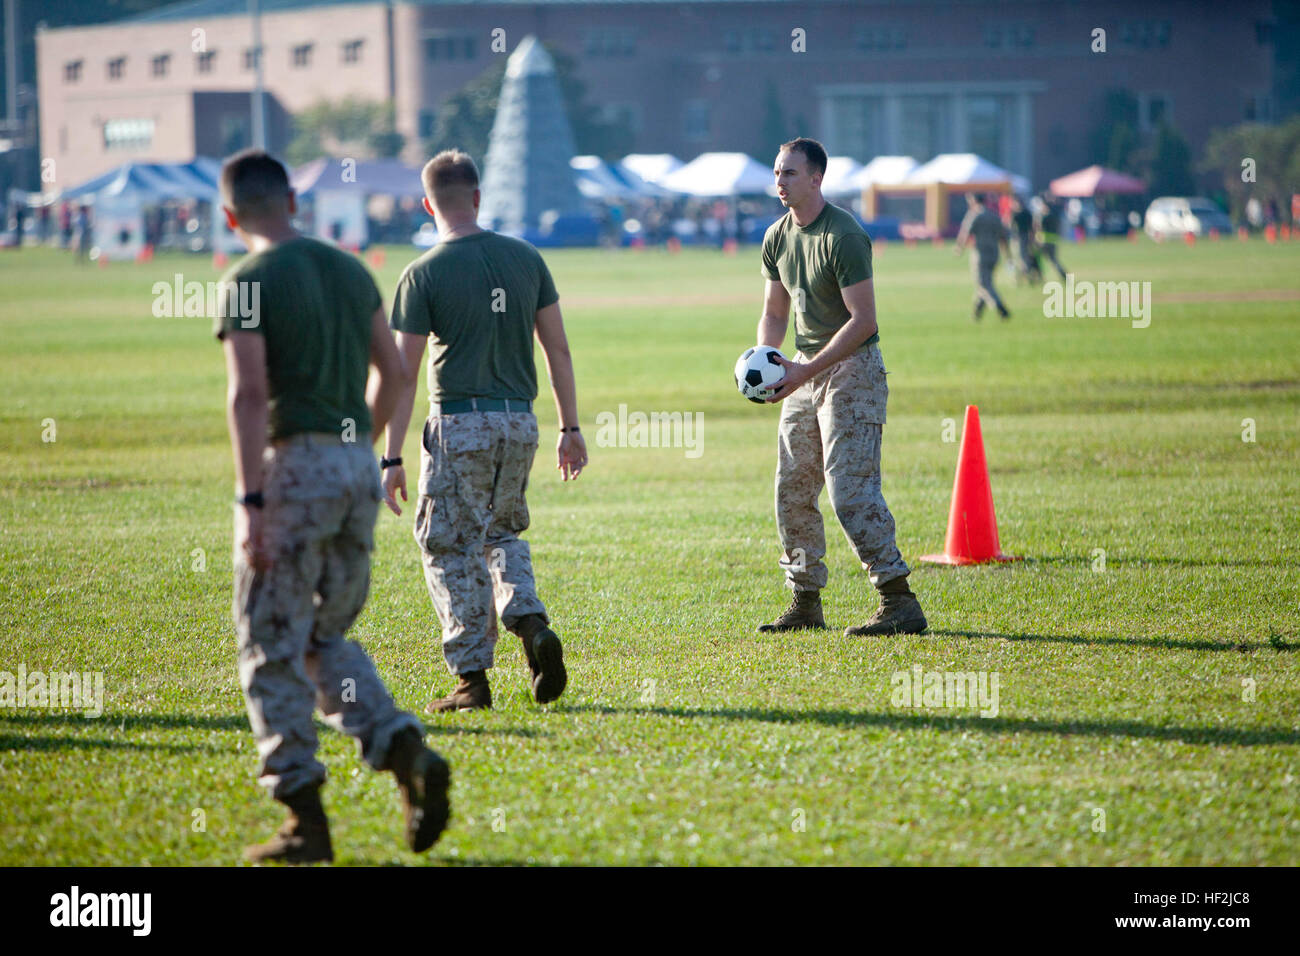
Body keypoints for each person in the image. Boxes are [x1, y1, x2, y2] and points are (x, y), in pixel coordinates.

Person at [214, 149, 450, 863]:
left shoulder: (246, 280)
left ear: (230, 217)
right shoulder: (350, 268)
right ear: (292, 198)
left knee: (269, 642)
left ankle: (304, 822)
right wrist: (359, 450)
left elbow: (250, 395)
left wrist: (251, 498)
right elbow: (398, 371)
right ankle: (402, 747)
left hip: (294, 469)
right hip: (355, 467)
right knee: (323, 638)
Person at [383, 149, 585, 713]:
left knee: (448, 543)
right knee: (502, 533)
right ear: (477, 196)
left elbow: (402, 377)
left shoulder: (423, 272)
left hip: (459, 421)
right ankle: (530, 623)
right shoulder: (525, 258)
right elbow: (559, 350)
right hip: (520, 419)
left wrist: (391, 457)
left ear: (428, 205)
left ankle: (472, 678)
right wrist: (570, 426)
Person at [756, 137, 927, 637]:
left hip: (852, 368)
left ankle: (898, 600)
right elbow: (773, 312)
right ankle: (805, 601)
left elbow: (863, 321)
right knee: (791, 488)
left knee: (850, 490)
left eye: (789, 173)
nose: (780, 183)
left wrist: (805, 371)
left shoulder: (843, 234)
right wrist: (769, 363)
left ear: (816, 178)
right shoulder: (777, 236)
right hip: (804, 369)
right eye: (776, 173)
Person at [955, 192, 1011, 321]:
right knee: (985, 282)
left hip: (980, 254)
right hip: (994, 253)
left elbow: (965, 233)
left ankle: (1000, 307)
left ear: (973, 201)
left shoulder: (974, 215)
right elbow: (1003, 236)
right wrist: (1007, 254)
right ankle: (977, 313)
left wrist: (959, 249)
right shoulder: (994, 216)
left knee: (983, 284)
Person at [1009, 195, 1041, 284]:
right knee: (1023, 258)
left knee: (1022, 259)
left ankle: (1025, 277)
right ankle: (1024, 277)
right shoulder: (1026, 212)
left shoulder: (1017, 214)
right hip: (1024, 238)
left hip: (1021, 238)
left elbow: (1010, 225)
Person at [1035, 194, 1067, 279]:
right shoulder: (1055, 216)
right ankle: (1064, 274)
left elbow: (1039, 228)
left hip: (1044, 240)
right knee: (1054, 260)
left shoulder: (1043, 217)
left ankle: (1039, 275)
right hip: (1053, 240)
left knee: (1036, 257)